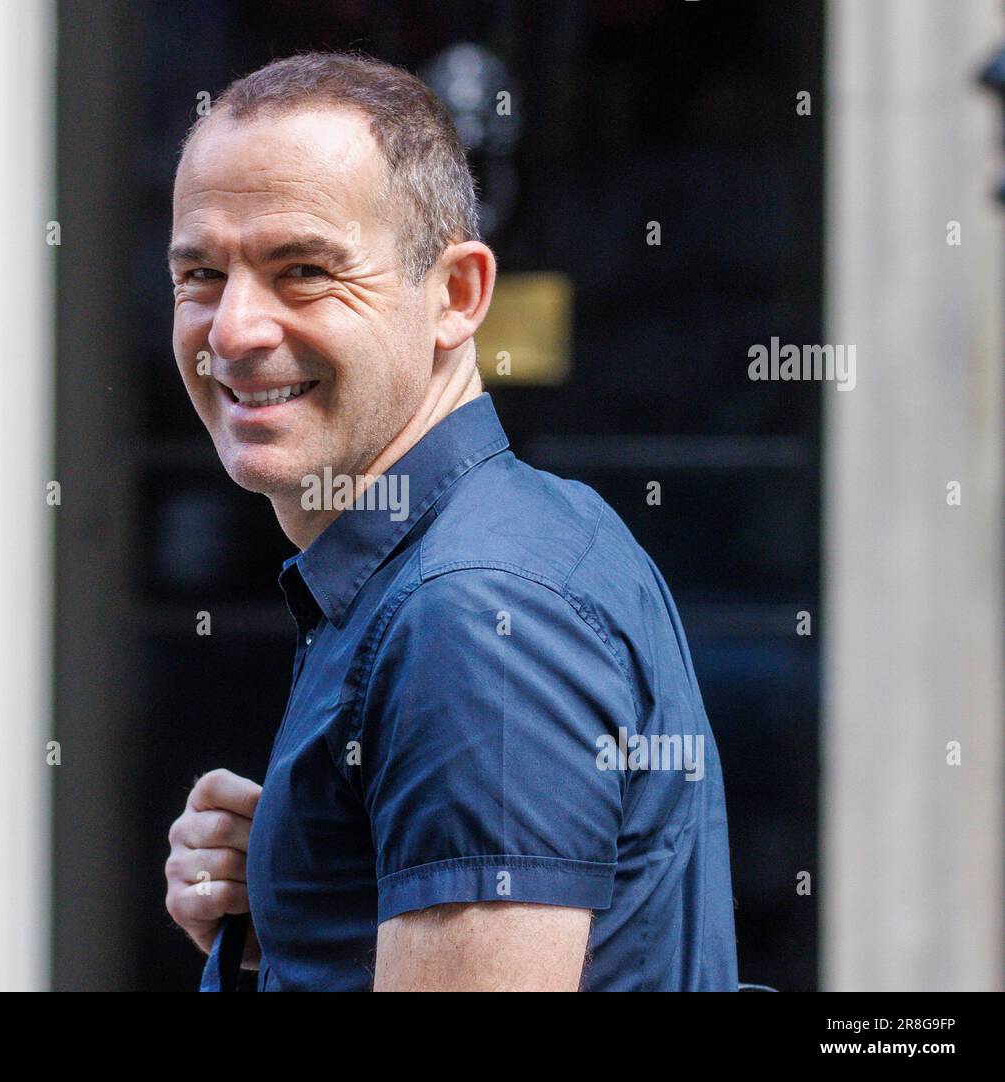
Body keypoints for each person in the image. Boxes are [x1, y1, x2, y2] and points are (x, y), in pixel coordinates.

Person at [163, 51, 738, 991]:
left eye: (303, 271)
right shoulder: (499, 543)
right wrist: (304, 919)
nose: (232, 330)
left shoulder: (473, 615)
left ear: (458, 296)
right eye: (200, 274)